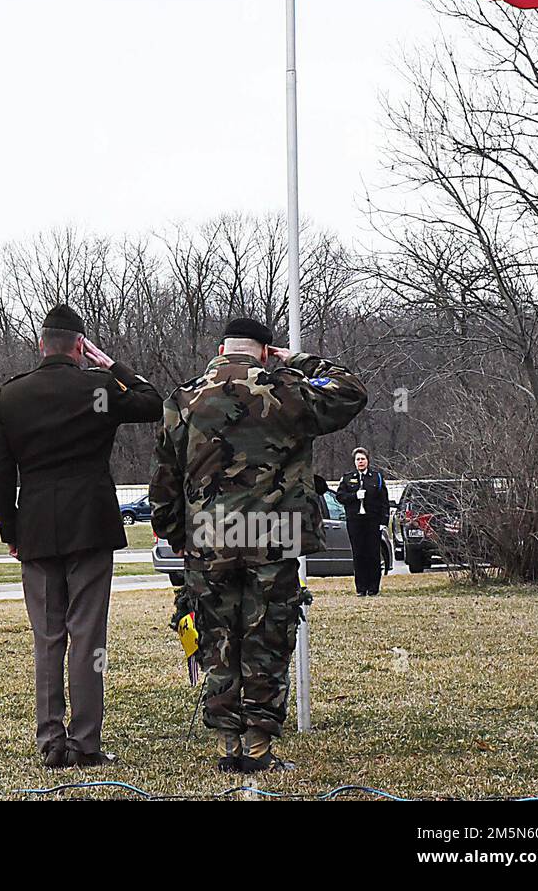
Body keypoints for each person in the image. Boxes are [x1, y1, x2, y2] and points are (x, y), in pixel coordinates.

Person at [150, 317, 367, 774]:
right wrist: (299, 360)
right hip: (275, 533)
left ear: (222, 349)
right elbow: (350, 390)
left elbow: (166, 481)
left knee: (217, 638)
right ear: (265, 352)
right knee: (267, 639)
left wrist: (176, 536)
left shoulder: (184, 398)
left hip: (209, 537)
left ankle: (229, 743)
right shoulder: (287, 391)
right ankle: (258, 747)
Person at [0, 303, 163, 768]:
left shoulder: (12, 396)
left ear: (41, 344)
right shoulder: (100, 389)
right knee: (88, 638)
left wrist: (11, 530)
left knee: (47, 637)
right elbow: (153, 402)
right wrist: (112, 366)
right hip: (90, 523)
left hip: (37, 528)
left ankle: (51, 740)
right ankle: (85, 742)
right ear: (80, 347)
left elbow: (1, 475)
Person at [336, 447, 389, 596]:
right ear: (354, 462)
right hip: (355, 522)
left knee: (373, 554)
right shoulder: (347, 478)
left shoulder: (376, 478)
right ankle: (361, 588)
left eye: (363, 459)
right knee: (358, 554)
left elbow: (384, 501)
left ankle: (373, 588)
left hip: (372, 521)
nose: (360, 462)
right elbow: (340, 497)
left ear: (367, 460)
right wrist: (354, 495)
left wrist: (383, 521)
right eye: (358, 459)